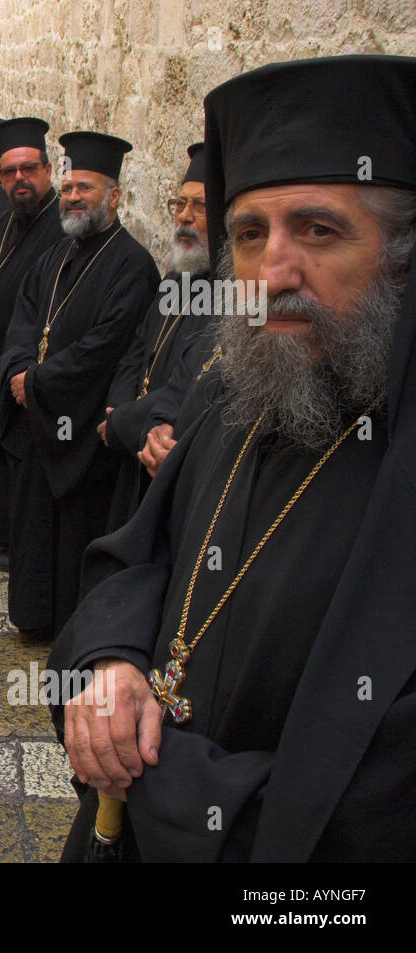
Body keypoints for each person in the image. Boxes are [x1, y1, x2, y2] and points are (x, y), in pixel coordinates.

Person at [49, 54, 416, 862]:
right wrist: (110, 663)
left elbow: (375, 812)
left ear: (401, 256)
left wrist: (157, 774)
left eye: (319, 230)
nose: (276, 271)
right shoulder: (233, 393)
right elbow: (135, 557)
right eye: (251, 234)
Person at [0, 131, 159, 639]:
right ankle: (33, 615)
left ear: (114, 195)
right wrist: (18, 370)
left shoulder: (133, 265)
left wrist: (38, 381)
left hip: (83, 430)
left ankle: (70, 624)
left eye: (84, 188)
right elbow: (24, 319)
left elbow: (106, 347)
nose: (72, 197)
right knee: (33, 525)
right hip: (39, 419)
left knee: (72, 532)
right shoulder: (55, 255)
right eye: (67, 188)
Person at [0, 118, 65, 570]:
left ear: (47, 169)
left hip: (26, 374)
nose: (19, 179)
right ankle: (0, 528)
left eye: (28, 169)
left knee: (22, 462)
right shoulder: (3, 220)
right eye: (9, 172)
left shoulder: (62, 228)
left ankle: (21, 543)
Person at [101, 143, 213, 531]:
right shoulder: (176, 278)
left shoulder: (235, 293)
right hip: (134, 436)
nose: (184, 216)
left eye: (199, 207)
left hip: (166, 448)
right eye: (180, 204)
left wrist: (124, 422)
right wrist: (118, 403)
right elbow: (138, 347)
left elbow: (191, 383)